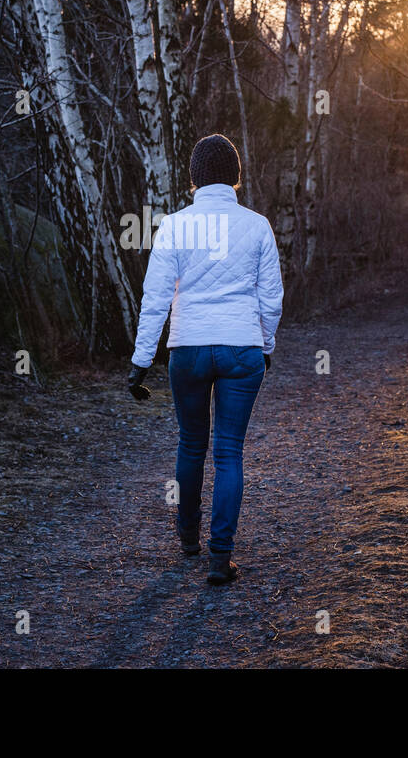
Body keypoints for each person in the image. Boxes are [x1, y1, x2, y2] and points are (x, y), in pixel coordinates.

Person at [126, 134, 284, 585]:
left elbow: (155, 298)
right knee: (229, 451)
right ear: (236, 178)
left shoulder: (174, 225)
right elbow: (271, 298)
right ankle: (221, 557)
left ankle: (187, 538)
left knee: (192, 444)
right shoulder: (257, 225)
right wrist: (265, 344)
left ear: (193, 178)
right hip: (241, 347)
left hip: (189, 349)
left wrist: (140, 361)